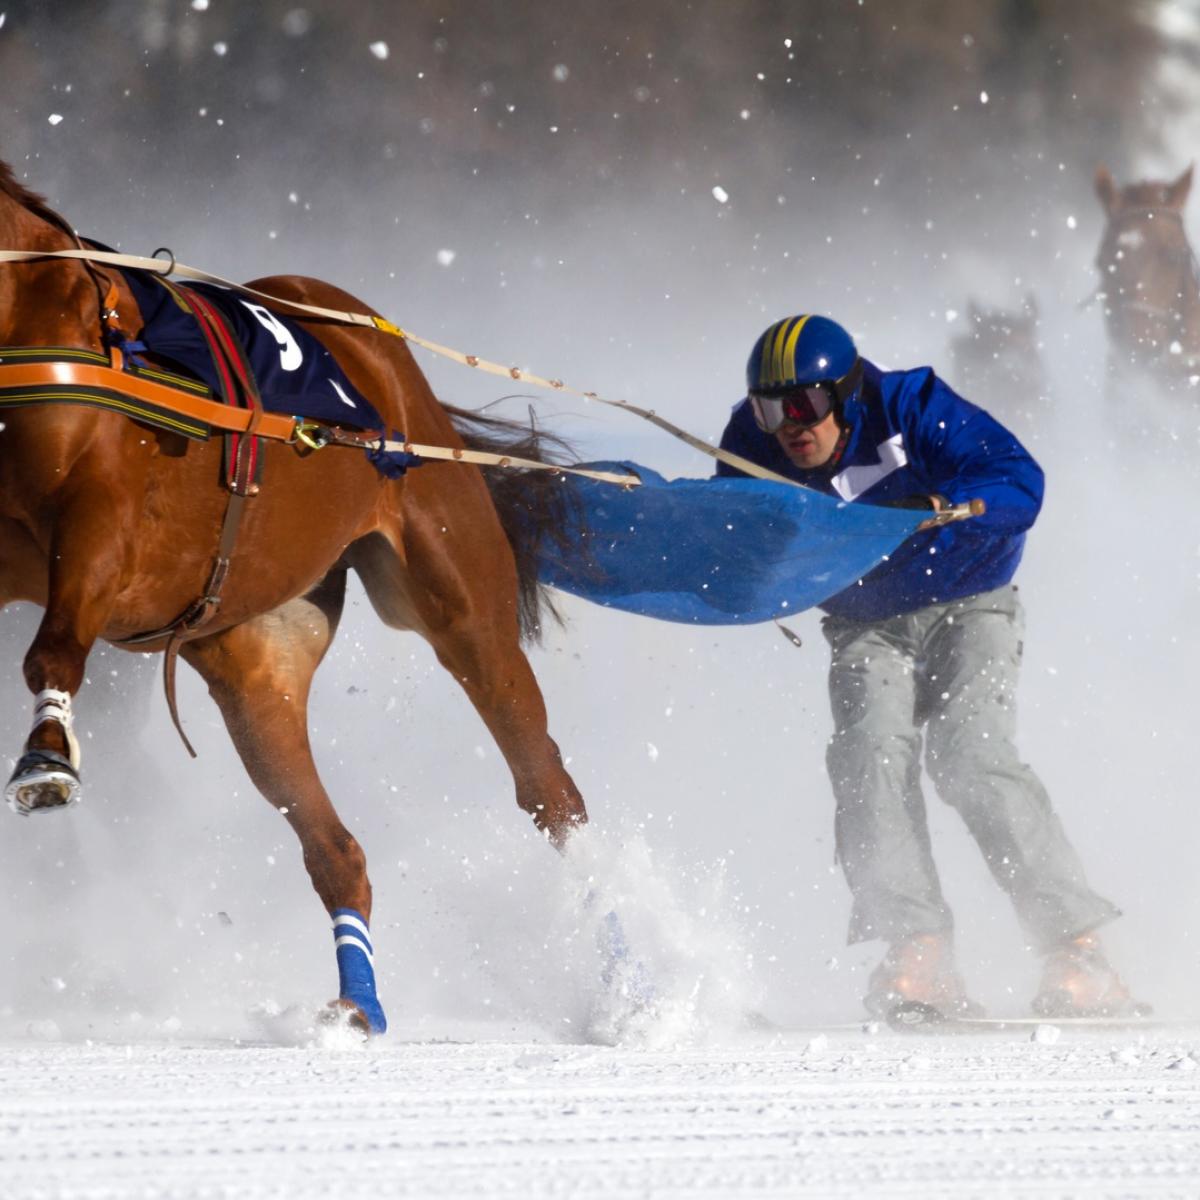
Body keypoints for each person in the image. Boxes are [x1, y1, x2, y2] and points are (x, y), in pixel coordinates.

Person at [717, 314, 1146, 1023]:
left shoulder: (908, 404)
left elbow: (1018, 479)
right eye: (771, 409)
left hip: (970, 599)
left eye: (806, 405)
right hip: (865, 621)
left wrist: (951, 504)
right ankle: (919, 950)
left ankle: (1078, 949)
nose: (789, 426)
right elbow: (731, 527)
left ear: (845, 393)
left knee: (969, 758)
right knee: (867, 757)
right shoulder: (750, 441)